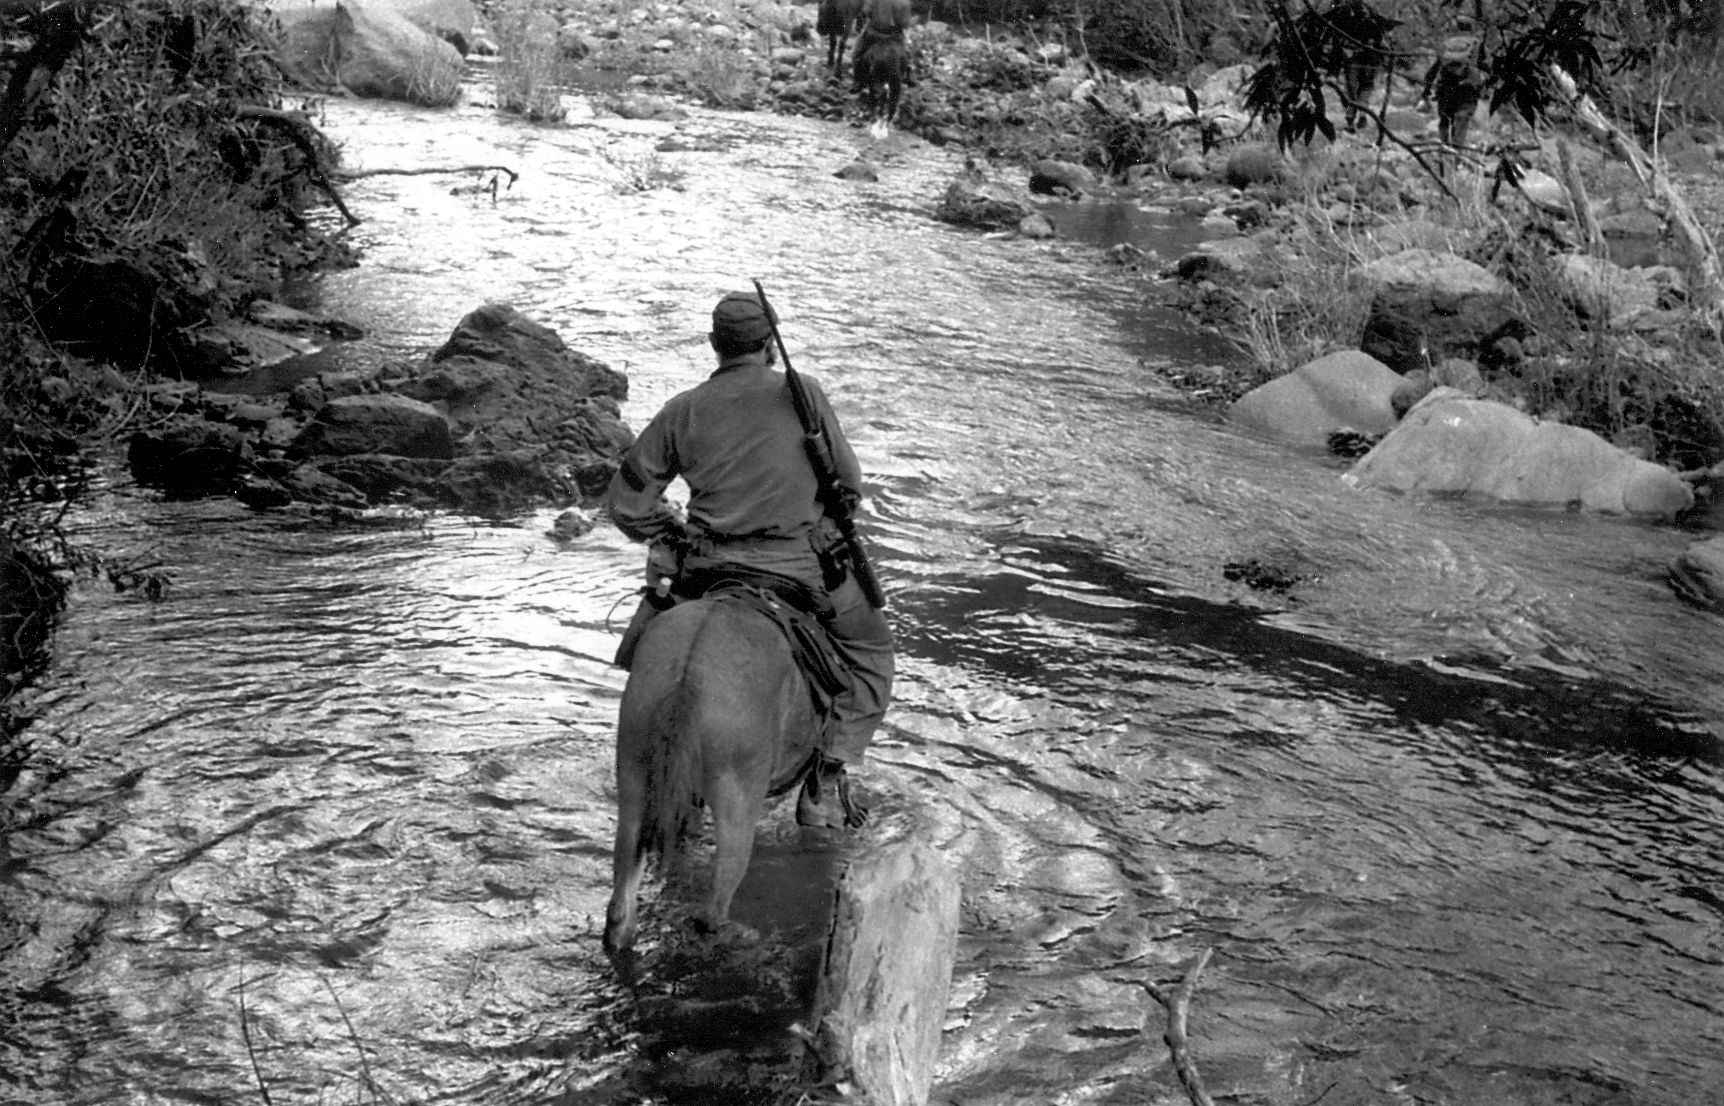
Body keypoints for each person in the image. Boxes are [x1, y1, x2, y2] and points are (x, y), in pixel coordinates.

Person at [605, 290, 895, 829]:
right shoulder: (802, 394)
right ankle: (825, 780)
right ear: (770, 345)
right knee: (872, 649)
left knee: (652, 634)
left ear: (714, 345)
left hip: (706, 566)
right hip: (798, 568)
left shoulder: (682, 410)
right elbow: (849, 486)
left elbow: (624, 504)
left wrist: (670, 532)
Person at [851, 0, 913, 91]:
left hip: (874, 33)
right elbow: (905, 23)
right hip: (894, 36)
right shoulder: (905, 2)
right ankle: (909, 74)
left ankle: (858, 81)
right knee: (907, 52)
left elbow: (866, 11)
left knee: (858, 52)